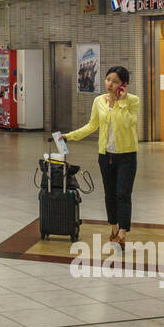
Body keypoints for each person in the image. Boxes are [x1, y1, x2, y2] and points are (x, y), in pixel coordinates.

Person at [65, 65, 140, 248]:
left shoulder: (132, 101)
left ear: (123, 85)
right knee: (110, 194)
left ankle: (123, 232)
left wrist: (120, 103)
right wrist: (69, 136)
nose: (110, 84)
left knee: (123, 194)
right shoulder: (99, 101)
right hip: (106, 156)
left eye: (115, 82)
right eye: (108, 80)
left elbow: (130, 123)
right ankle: (113, 227)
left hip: (127, 155)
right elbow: (92, 126)